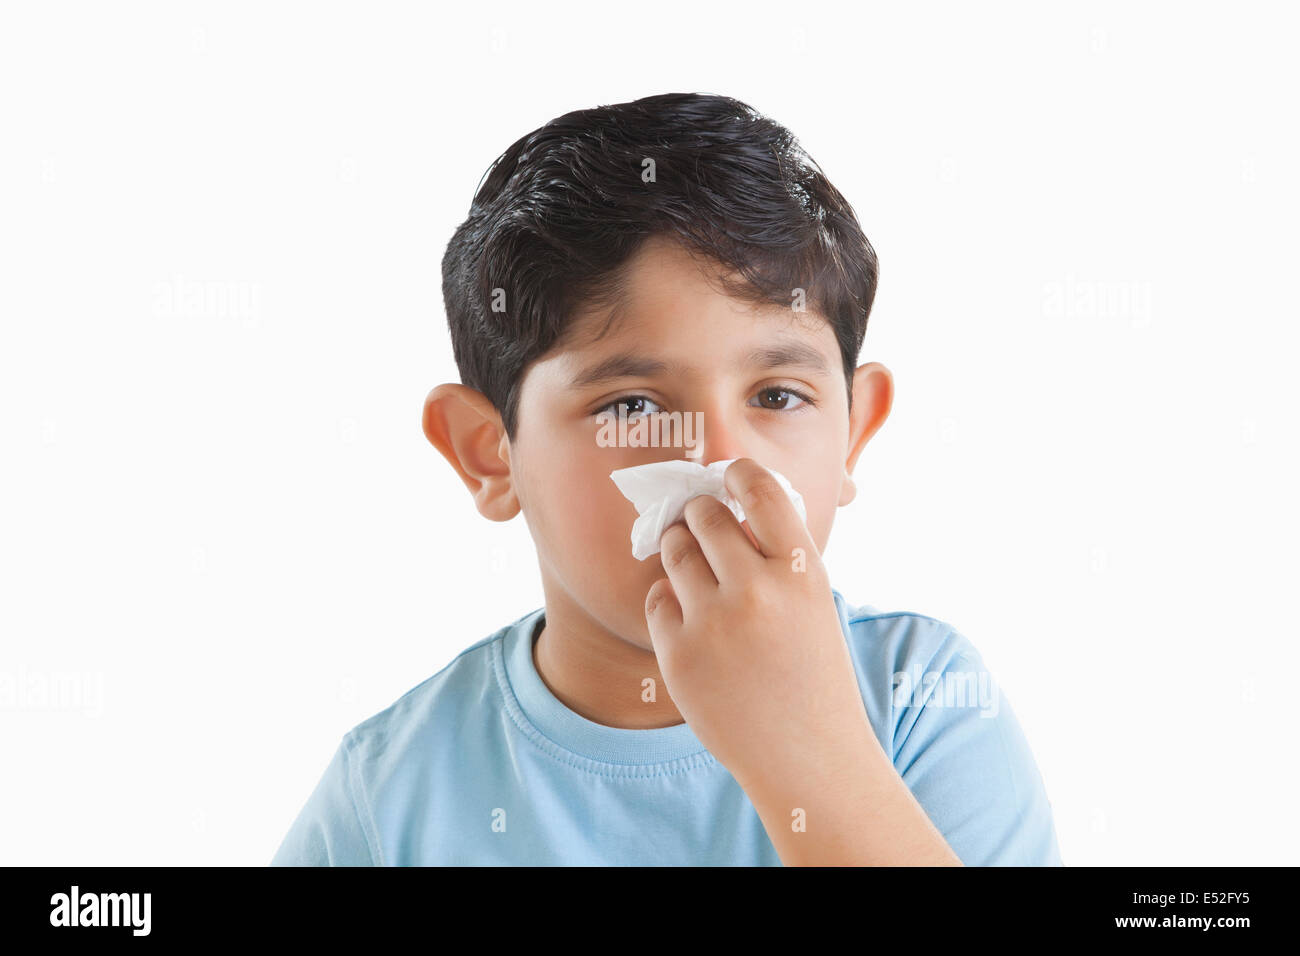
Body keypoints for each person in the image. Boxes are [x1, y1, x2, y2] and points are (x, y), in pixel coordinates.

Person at [271, 92, 1062, 866]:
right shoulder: (387, 801)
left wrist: (801, 746)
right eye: (634, 405)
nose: (720, 462)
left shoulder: (922, 703)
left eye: (777, 396)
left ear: (853, 431)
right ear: (489, 452)